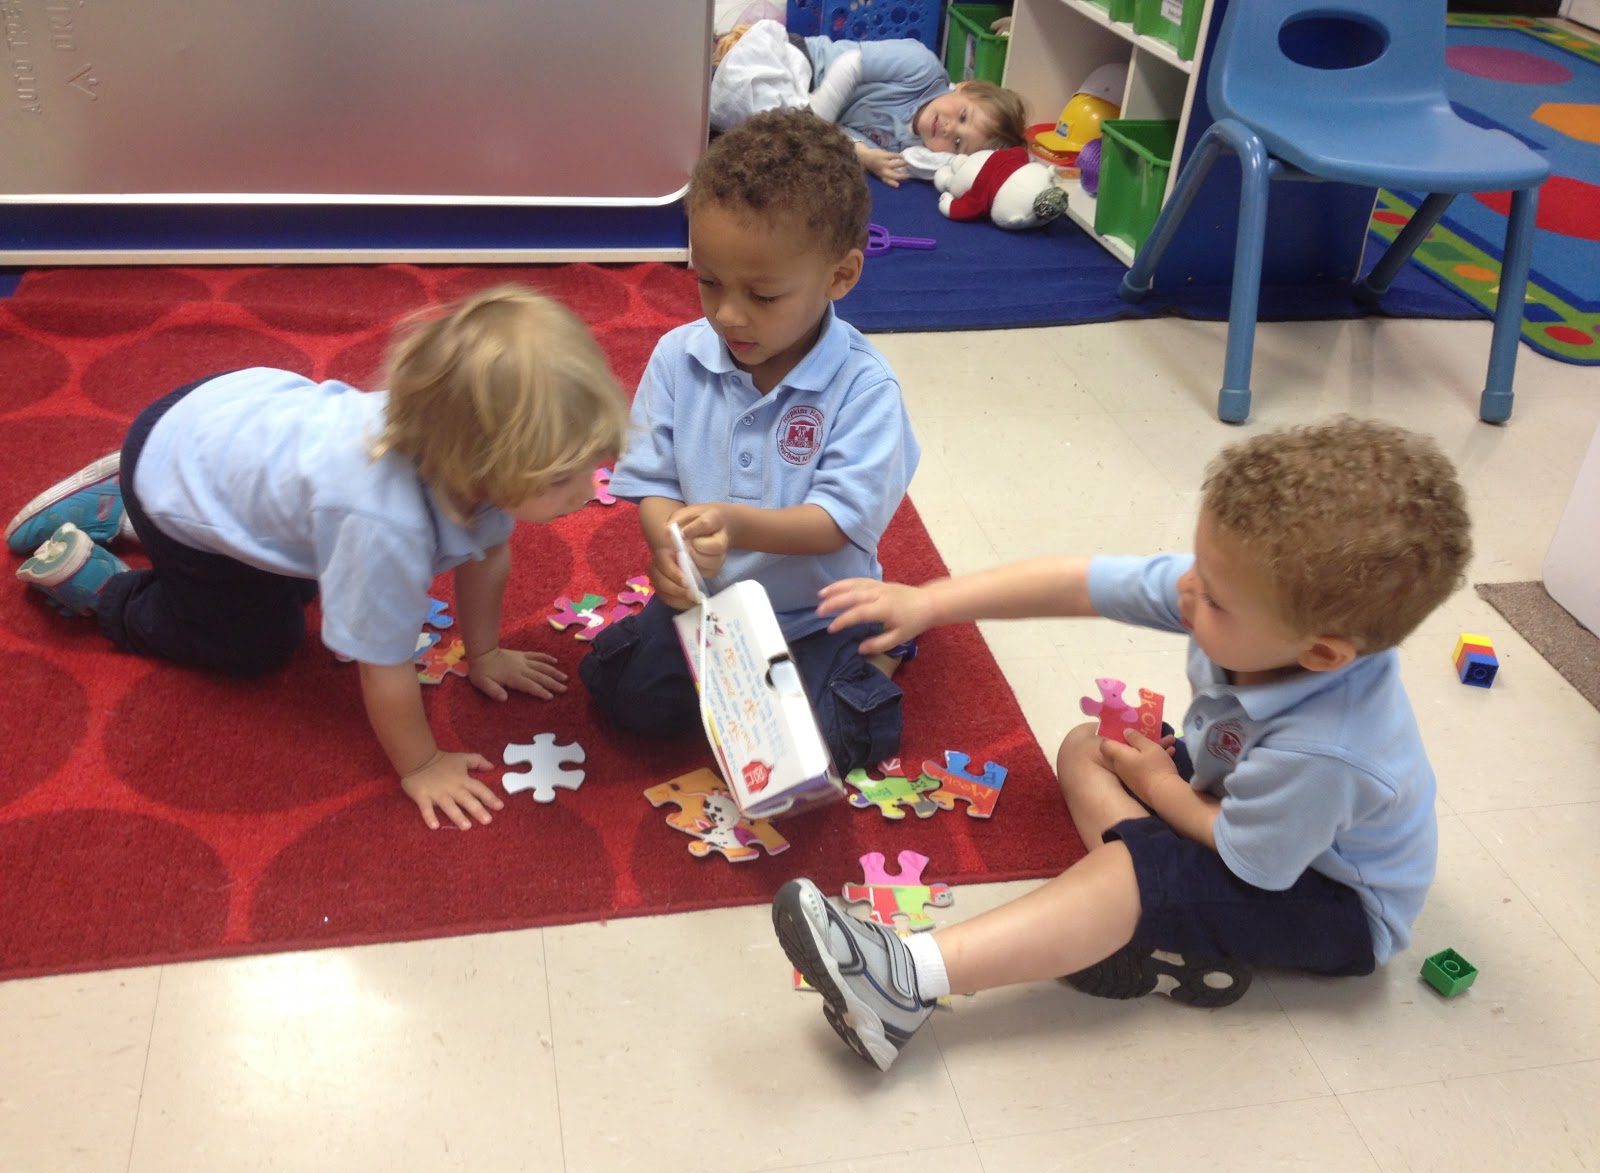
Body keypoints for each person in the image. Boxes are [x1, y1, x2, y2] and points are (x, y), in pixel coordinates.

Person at [770, 416, 1473, 1070]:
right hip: (1245, 795)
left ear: (1320, 654)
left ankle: (904, 982)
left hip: (1326, 903)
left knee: (1136, 873)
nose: (1186, 590)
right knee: (1089, 746)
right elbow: (1083, 585)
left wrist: (1161, 789)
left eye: (1213, 598)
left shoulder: (1326, 752)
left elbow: (1251, 858)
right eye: (1197, 567)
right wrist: (931, 602)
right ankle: (1156, 923)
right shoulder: (1238, 594)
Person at [6, 285, 630, 833]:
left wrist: (485, 653)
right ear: (476, 466)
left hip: (220, 417)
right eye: (561, 479)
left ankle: (128, 489)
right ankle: (104, 584)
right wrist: (421, 764)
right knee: (260, 642)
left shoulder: (461, 446)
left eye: (592, 462)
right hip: (181, 469)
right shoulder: (385, 525)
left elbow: (487, 556)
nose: (588, 489)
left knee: (300, 582)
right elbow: (384, 664)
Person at [579, 108, 920, 775]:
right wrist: (671, 546)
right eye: (707, 282)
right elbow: (654, 484)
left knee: (826, 746)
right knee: (625, 695)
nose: (728, 314)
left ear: (840, 276)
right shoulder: (677, 357)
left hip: (820, 616)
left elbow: (836, 522)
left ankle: (883, 647)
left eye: (763, 295)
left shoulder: (865, 388)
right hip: (711, 609)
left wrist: (734, 524)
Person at [709, 19, 1028, 186]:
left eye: (957, 143)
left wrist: (863, 155)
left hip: (805, 114)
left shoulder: (907, 145)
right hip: (803, 63)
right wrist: (813, 122)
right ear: (964, 87)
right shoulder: (922, 67)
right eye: (962, 116)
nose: (947, 128)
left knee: (770, 141)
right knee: (756, 98)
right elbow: (850, 64)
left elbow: (841, 136)